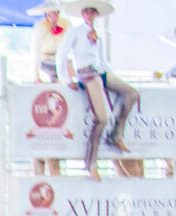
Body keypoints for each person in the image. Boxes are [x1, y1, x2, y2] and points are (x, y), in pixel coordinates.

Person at [57, 1, 138, 181]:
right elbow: (62, 54)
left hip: (100, 71)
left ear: (95, 14)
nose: (89, 15)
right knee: (101, 117)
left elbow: (102, 59)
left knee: (131, 93)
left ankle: (115, 134)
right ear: (82, 14)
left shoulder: (98, 33)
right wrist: (65, 79)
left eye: (92, 12)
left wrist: (111, 75)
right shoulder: (75, 31)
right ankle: (91, 163)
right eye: (86, 12)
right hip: (86, 73)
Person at [29, 1, 71, 177]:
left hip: (62, 61)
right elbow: (35, 52)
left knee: (65, 80)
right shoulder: (40, 28)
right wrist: (35, 77)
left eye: (55, 12)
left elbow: (68, 51)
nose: (53, 16)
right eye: (49, 13)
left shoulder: (66, 25)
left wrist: (67, 76)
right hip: (45, 61)